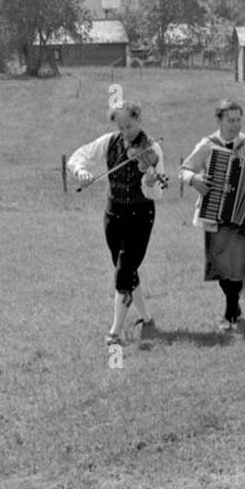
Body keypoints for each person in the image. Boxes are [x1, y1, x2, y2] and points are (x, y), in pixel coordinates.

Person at [68, 102, 167, 346]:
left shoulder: (152, 149)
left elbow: (156, 195)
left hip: (140, 215)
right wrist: (81, 171)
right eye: (121, 127)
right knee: (125, 269)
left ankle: (115, 331)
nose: (125, 133)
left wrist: (151, 181)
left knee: (123, 270)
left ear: (139, 119)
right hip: (113, 213)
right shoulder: (109, 141)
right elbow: (79, 157)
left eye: (130, 126)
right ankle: (146, 318)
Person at [180, 100, 245, 334]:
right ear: (219, 120)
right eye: (230, 120)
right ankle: (235, 302)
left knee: (237, 264)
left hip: (243, 215)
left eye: (238, 119)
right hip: (215, 213)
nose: (235, 124)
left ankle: (229, 314)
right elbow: (184, 169)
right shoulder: (208, 145)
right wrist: (194, 179)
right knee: (222, 267)